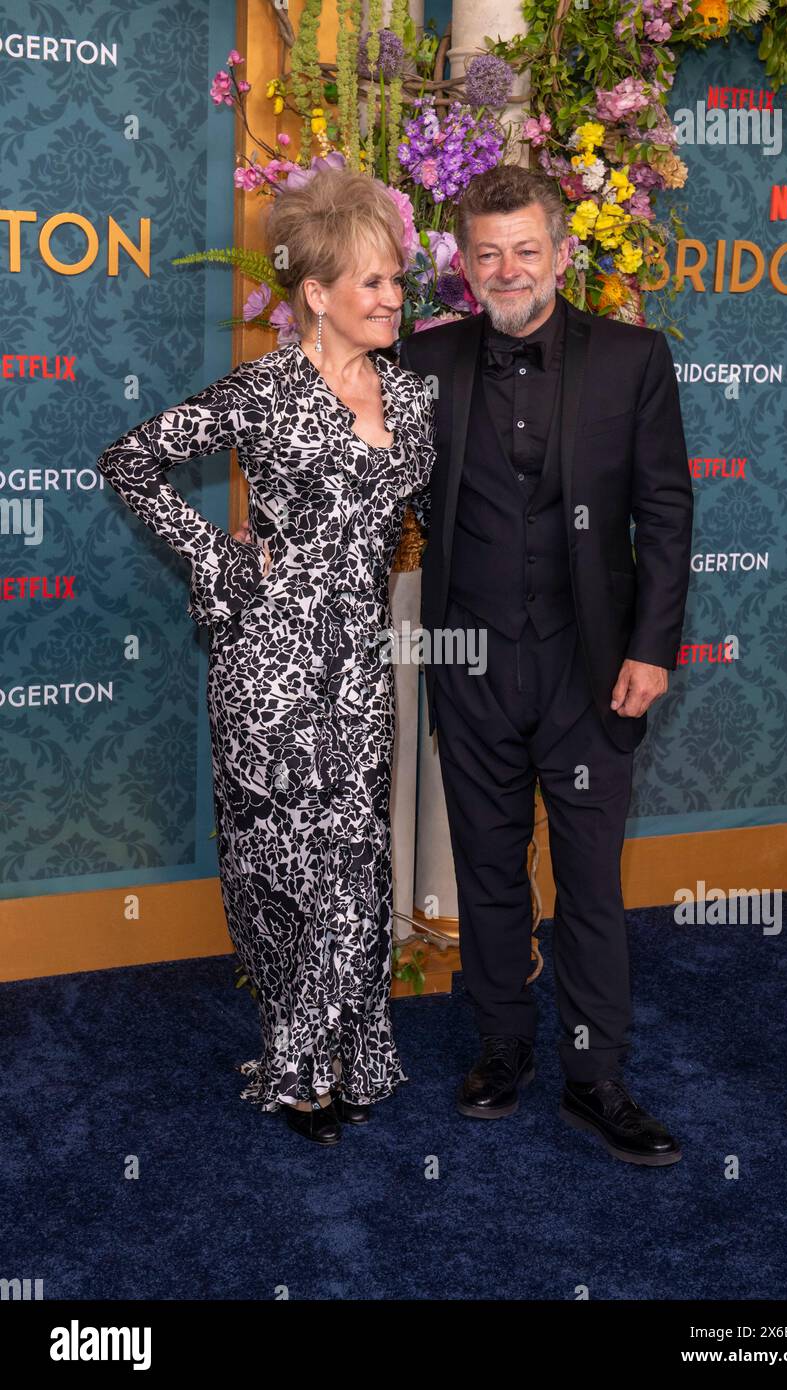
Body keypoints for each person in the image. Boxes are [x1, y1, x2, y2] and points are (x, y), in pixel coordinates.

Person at [97, 168, 435, 1146]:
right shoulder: (264, 391)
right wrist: (221, 557)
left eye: (396, 280)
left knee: (356, 858)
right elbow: (130, 460)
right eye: (371, 282)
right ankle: (296, 1067)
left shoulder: (413, 398)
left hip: (360, 662)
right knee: (284, 866)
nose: (391, 297)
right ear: (315, 294)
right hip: (267, 663)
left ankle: (357, 1053)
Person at [399, 164, 694, 1167]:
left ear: (562, 253)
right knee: (486, 868)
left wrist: (651, 648)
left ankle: (594, 1075)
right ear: (463, 263)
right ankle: (500, 1047)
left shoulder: (632, 358)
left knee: (590, 882)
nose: (507, 269)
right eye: (487, 253)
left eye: (525, 249)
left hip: (592, 669)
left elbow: (665, 513)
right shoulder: (424, 362)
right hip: (469, 662)